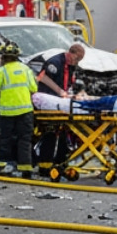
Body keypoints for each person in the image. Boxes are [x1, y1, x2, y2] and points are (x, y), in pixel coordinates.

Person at [0, 40, 36, 177]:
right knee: (24, 139)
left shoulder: (1, 71)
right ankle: (25, 168)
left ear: (3, 57)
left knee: (5, 139)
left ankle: (2, 166)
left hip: (7, 112)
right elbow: (33, 88)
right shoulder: (26, 69)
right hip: (25, 111)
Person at [34, 41, 84, 171]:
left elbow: (72, 82)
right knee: (50, 133)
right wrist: (60, 92)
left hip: (61, 103)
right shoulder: (55, 63)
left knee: (63, 134)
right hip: (48, 100)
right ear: (70, 53)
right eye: (76, 58)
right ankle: (45, 166)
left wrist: (75, 93)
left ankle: (60, 163)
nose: (77, 62)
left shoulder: (72, 66)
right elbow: (43, 78)